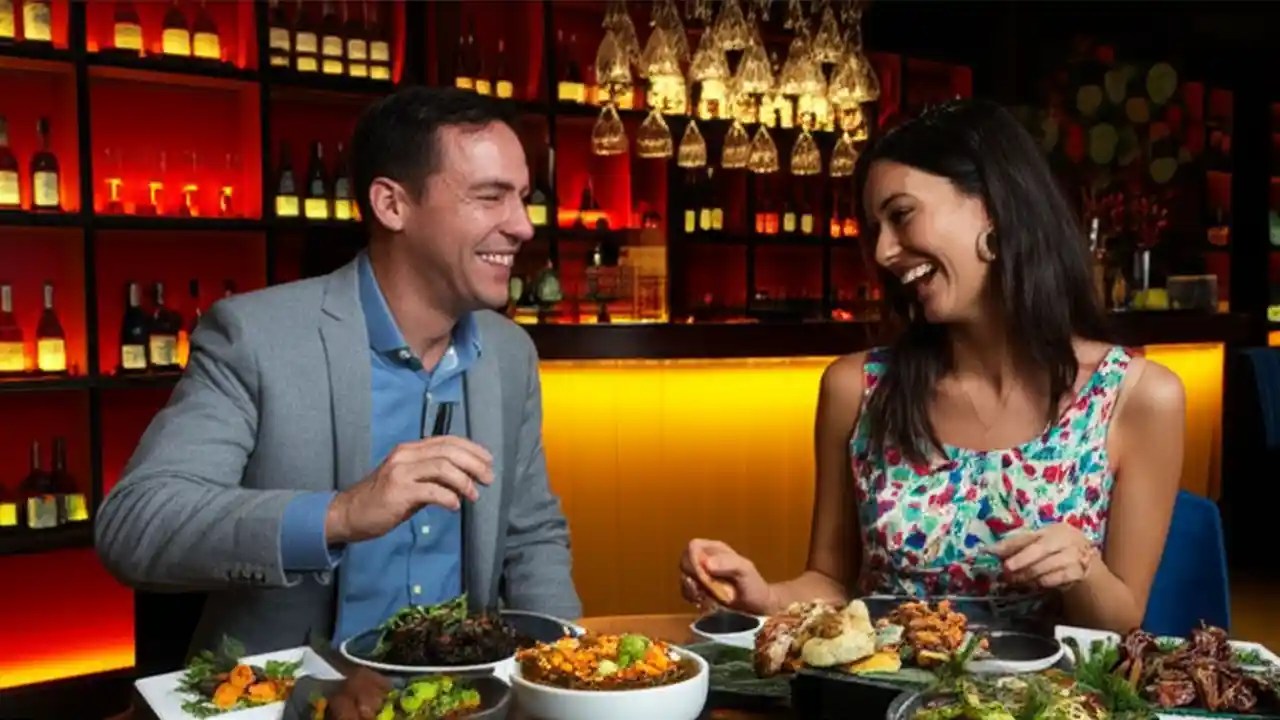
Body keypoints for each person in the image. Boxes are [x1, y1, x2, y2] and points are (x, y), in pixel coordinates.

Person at [95, 86, 582, 656]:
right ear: (391, 204)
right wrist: (339, 514)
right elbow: (133, 525)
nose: (523, 226)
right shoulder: (255, 338)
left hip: (466, 697)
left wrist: (564, 675)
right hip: (298, 700)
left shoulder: (509, 353)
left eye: (521, 198)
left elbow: (532, 536)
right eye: (490, 197)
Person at [680, 99, 1185, 633]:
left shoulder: (1137, 397)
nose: (883, 252)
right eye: (874, 230)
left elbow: (1122, 626)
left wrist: (1082, 570)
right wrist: (764, 596)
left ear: (993, 206)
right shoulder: (857, 390)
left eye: (900, 216)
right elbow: (829, 582)